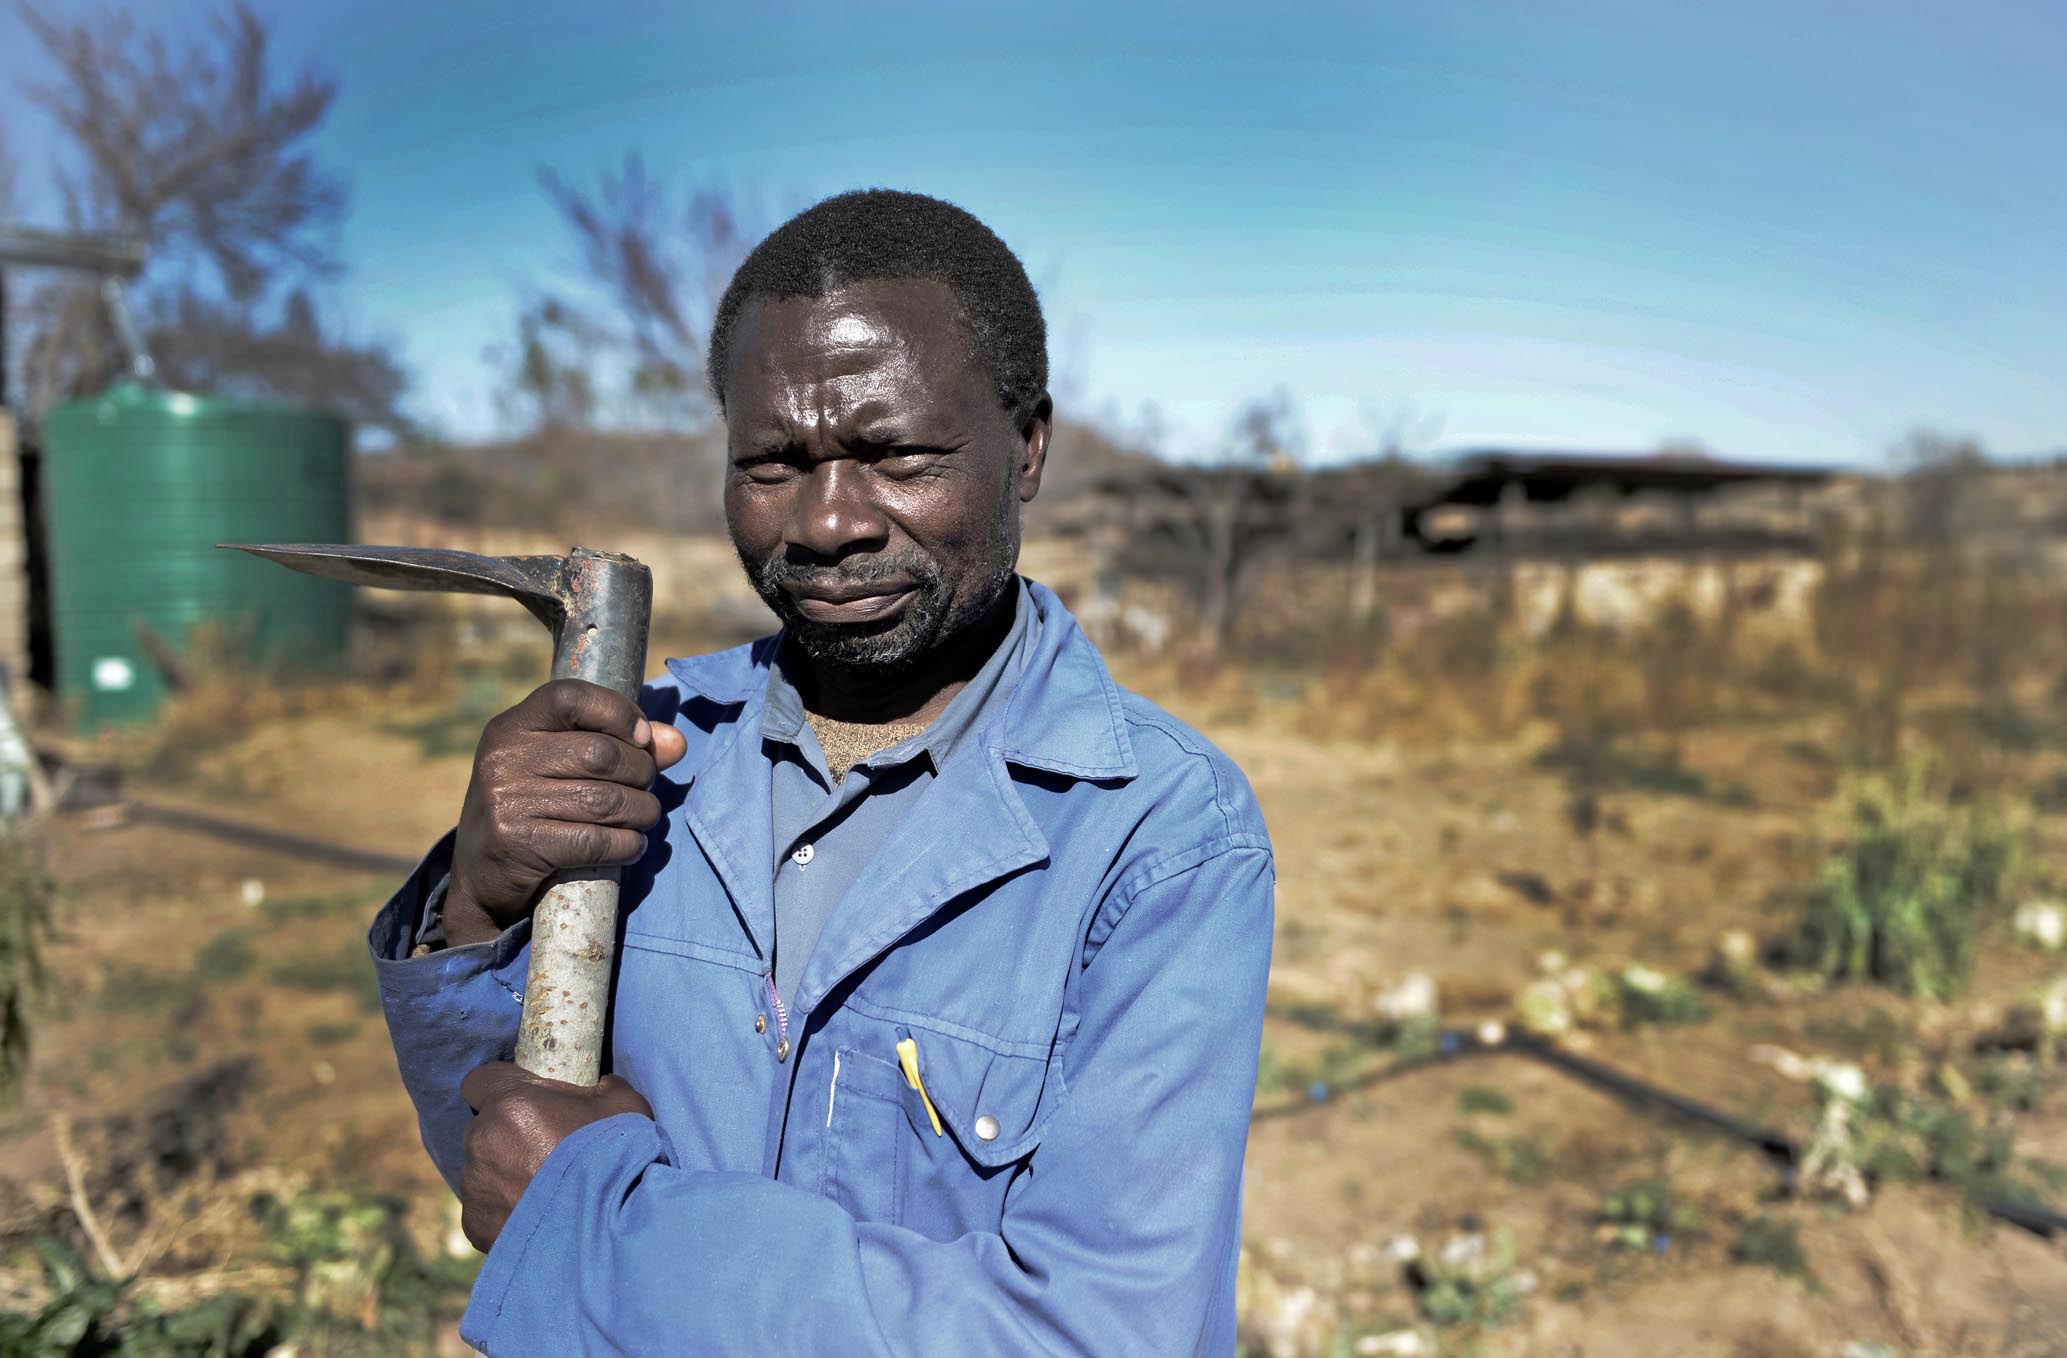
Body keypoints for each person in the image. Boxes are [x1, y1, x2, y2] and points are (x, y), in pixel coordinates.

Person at [370, 189, 1275, 1356]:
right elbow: (499, 1168)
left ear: (1029, 445)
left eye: (896, 452)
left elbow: (1100, 1331)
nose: (828, 521)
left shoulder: (1157, 835)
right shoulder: (646, 754)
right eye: (773, 463)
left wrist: (608, 1223)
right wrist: (478, 912)